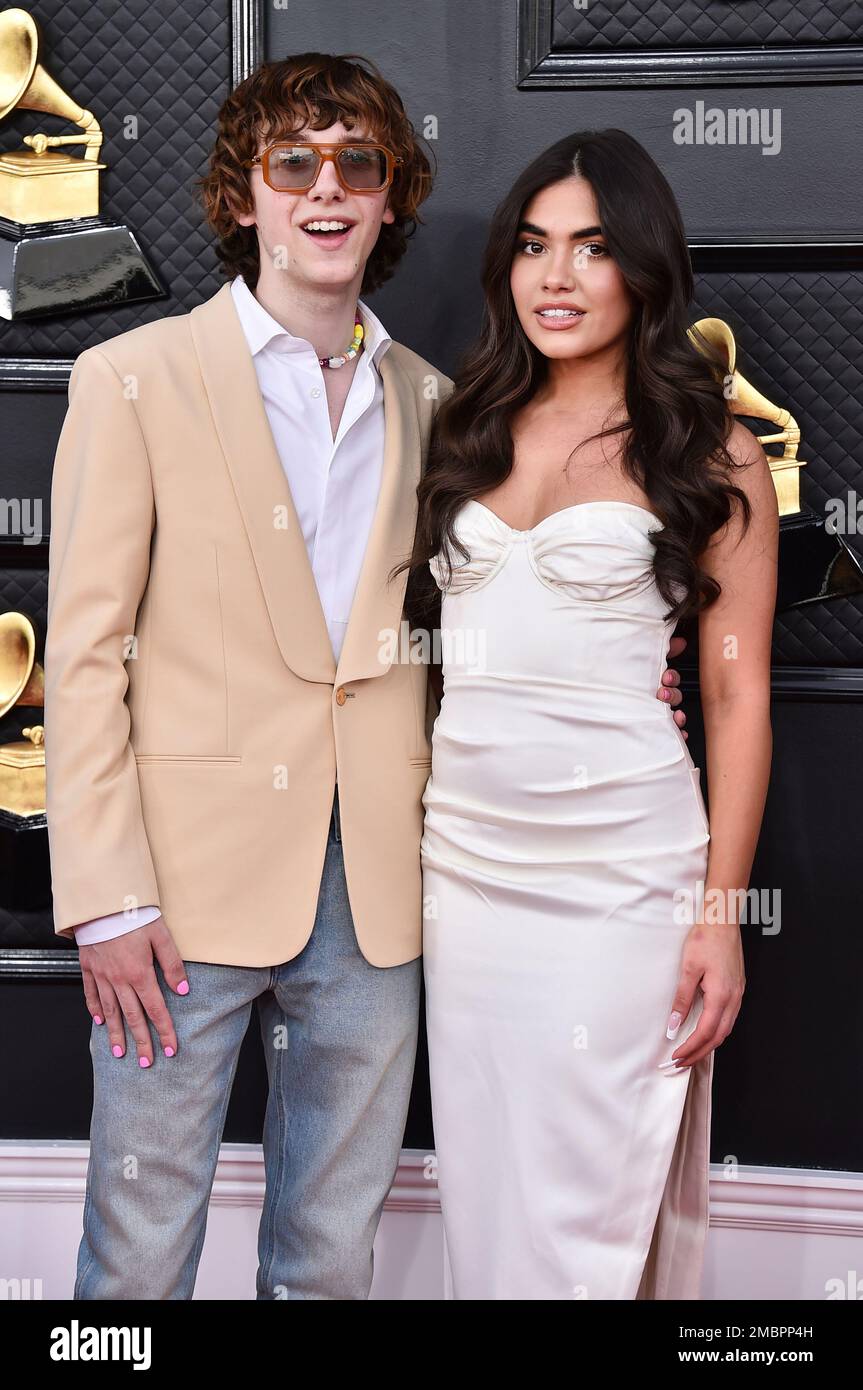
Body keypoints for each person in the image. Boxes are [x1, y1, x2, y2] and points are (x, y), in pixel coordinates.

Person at [44, 55, 689, 1300]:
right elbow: (78, 657)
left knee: (329, 1259)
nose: (326, 191)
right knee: (131, 1258)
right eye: (293, 164)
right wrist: (107, 899)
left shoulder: (444, 409)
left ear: (393, 196)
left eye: (359, 164)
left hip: (385, 900)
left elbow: (488, 619)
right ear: (243, 195)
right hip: (174, 899)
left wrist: (621, 681)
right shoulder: (130, 381)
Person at [395, 129, 777, 1300]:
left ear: (642, 271)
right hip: (463, 871)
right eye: (531, 246)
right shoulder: (461, 423)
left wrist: (716, 918)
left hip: (621, 880)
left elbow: (734, 692)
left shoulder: (711, 453)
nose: (553, 277)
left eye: (592, 248)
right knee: (492, 1193)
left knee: (586, 1209)